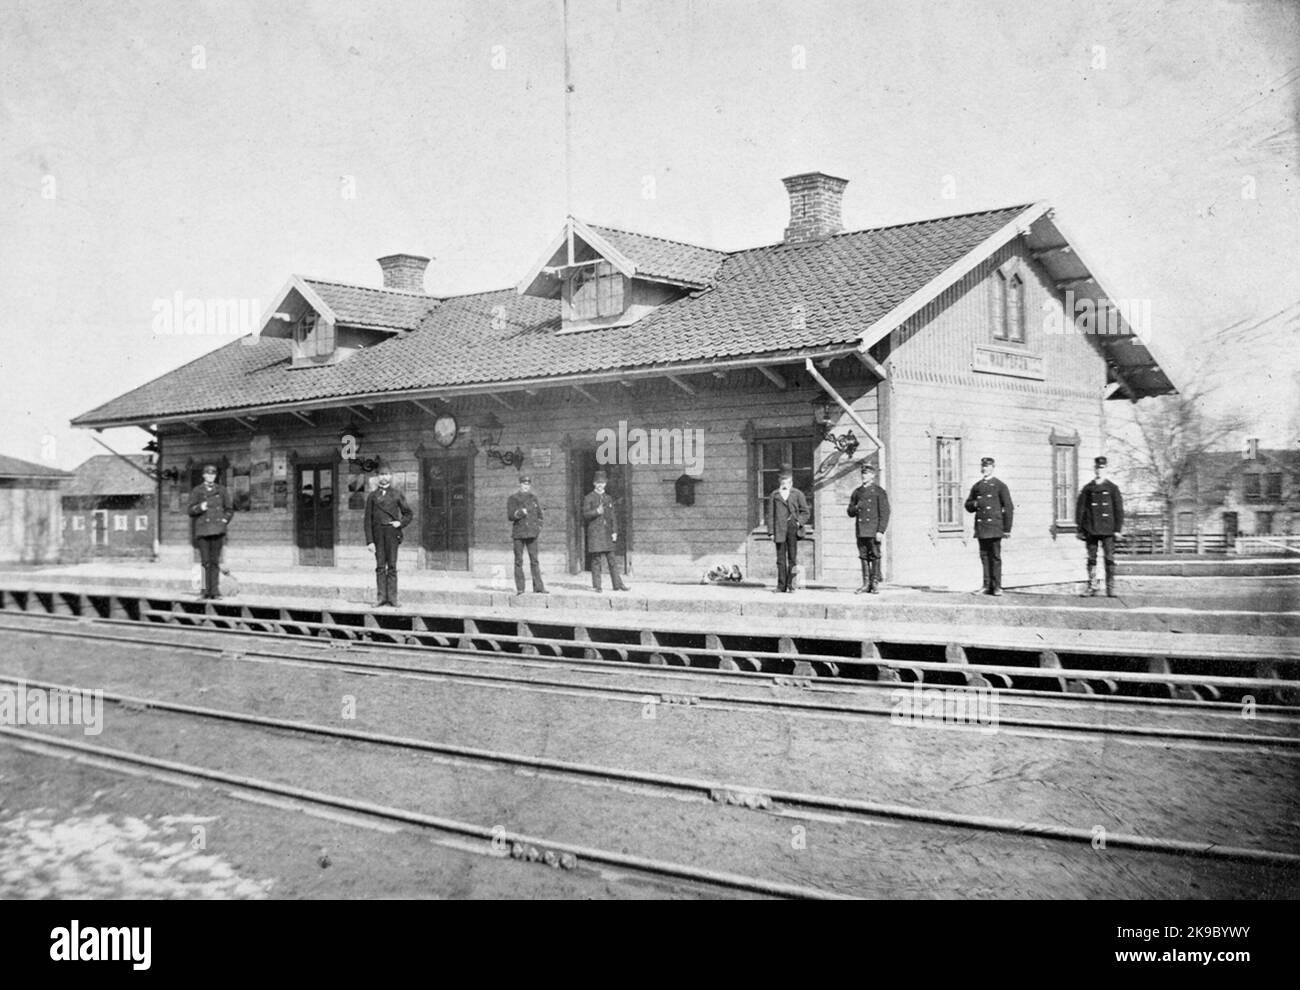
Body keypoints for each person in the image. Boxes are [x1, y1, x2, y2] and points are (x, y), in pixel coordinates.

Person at [364, 463, 413, 607]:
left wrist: (400, 523)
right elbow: (367, 520)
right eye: (381, 475)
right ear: (377, 477)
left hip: (392, 534)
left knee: (392, 566)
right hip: (378, 534)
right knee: (380, 566)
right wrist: (369, 541)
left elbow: (408, 514)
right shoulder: (372, 496)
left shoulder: (396, 494)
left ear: (390, 477)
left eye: (386, 474)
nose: (383, 477)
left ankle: (393, 598)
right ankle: (381, 598)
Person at [964, 456, 1014, 596]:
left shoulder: (1000, 485)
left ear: (993, 468)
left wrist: (1007, 529)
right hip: (982, 527)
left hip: (995, 527)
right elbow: (968, 504)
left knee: (995, 557)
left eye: (987, 466)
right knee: (984, 556)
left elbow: (1009, 508)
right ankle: (986, 585)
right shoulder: (977, 486)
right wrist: (974, 504)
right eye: (983, 466)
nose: (984, 469)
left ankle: (997, 586)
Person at [1076, 455, 1124, 597]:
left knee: (1109, 558)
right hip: (1091, 528)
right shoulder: (1088, 488)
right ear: (1094, 469)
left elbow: (1118, 510)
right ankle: (1092, 586)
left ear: (1106, 469)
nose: (1099, 470)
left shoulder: (1112, 488)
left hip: (1108, 529)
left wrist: (1117, 529)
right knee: (1091, 558)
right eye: (1097, 468)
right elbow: (1080, 509)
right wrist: (1080, 529)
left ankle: (1111, 587)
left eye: (1102, 468)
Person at [188, 464, 235, 600]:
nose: (210, 476)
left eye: (213, 474)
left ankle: (214, 591)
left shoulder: (222, 490)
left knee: (214, 562)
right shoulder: (197, 491)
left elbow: (229, 509)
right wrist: (199, 507)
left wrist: (224, 521)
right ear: (203, 475)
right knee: (204, 562)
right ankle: (204, 591)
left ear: (215, 476)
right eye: (208, 474)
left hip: (217, 530)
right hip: (203, 530)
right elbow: (190, 510)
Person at [847, 462, 890, 594]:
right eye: (863, 474)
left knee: (875, 555)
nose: (864, 476)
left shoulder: (879, 492)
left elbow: (885, 513)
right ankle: (866, 584)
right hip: (861, 530)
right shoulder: (857, 492)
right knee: (863, 556)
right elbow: (850, 512)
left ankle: (875, 583)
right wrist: (856, 507)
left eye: (867, 474)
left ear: (873, 476)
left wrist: (880, 531)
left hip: (873, 530)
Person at [582, 470, 628, 592]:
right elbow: (585, 515)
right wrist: (596, 512)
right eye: (598, 483)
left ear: (606, 484)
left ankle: (617, 585)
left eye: (602, 482)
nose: (600, 485)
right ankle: (597, 586)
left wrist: (614, 532)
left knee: (612, 560)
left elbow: (613, 517)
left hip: (607, 534)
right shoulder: (589, 498)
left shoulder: (608, 498)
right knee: (596, 560)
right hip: (595, 534)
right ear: (594, 484)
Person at [767, 464, 810, 593]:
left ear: (791, 481)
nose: (784, 483)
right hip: (779, 529)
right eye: (782, 480)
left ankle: (792, 585)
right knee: (780, 559)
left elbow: (805, 512)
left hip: (792, 529)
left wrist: (798, 522)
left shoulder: (797, 494)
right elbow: (770, 515)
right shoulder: (774, 495)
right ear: (779, 481)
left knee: (792, 557)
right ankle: (781, 586)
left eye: (787, 481)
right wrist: (771, 532)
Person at [506, 474, 547, 594]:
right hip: (519, 533)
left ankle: (538, 587)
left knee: (534, 560)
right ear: (520, 484)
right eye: (524, 484)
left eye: (528, 484)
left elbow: (539, 515)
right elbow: (510, 516)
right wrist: (520, 513)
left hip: (532, 534)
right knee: (518, 561)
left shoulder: (533, 498)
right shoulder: (513, 498)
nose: (526, 486)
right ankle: (520, 588)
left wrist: (538, 529)